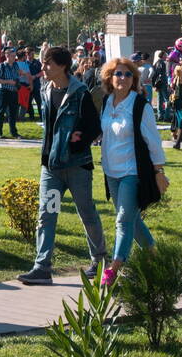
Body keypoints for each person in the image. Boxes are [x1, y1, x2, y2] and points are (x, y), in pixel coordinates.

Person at [18, 46, 107, 285]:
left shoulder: (80, 93)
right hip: (52, 168)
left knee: (86, 213)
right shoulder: (46, 90)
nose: (43, 68)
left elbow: (94, 126)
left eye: (48, 64)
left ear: (62, 66)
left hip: (77, 167)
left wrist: (80, 140)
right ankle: (42, 267)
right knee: (47, 214)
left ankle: (99, 261)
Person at [98, 57, 168, 287]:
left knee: (122, 220)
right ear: (110, 78)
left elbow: (153, 141)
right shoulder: (107, 102)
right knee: (132, 219)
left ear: (134, 80)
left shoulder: (140, 106)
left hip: (132, 171)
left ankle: (114, 268)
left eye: (129, 75)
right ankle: (155, 258)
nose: (123, 78)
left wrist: (158, 171)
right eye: (118, 74)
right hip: (111, 171)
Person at [0, 47, 22, 139]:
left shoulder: (16, 65)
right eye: (12, 56)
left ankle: (14, 133)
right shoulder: (1, 66)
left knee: (13, 113)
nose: (14, 58)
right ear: (7, 55)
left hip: (14, 92)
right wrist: (8, 81)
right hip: (4, 91)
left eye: (15, 56)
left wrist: (18, 82)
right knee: (1, 112)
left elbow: (18, 76)